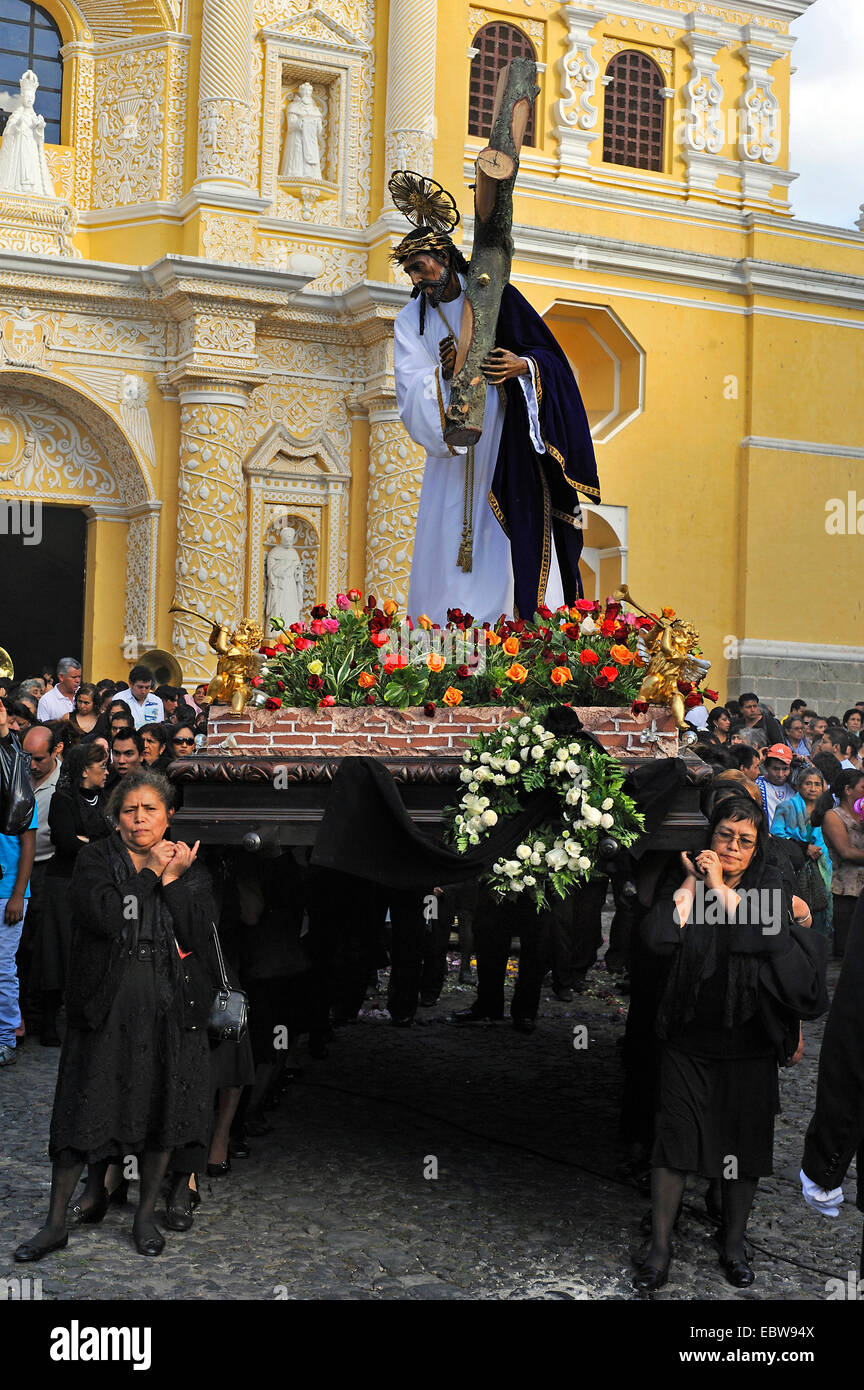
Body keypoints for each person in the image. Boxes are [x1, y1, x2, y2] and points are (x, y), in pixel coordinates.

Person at [13, 771, 216, 1261]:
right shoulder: (95, 857)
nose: (140, 818)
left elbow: (199, 934)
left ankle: (145, 1217)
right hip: (104, 1000)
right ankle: (56, 1222)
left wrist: (175, 882)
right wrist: (150, 876)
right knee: (83, 1105)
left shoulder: (186, 863)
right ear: (116, 818)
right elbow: (108, 915)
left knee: (156, 1107)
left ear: (168, 817)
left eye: (150, 809)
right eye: (130, 810)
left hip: (164, 1002)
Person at [631, 798, 827, 1292]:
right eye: (724, 837)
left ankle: (734, 1243)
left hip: (750, 1041)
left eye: (744, 841)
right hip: (688, 1037)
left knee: (743, 1148)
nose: (732, 848)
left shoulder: (768, 889)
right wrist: (692, 884)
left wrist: (716, 886)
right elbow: (656, 941)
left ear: (757, 848)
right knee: (675, 1141)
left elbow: (765, 938)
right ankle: (659, 1246)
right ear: (709, 838)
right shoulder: (690, 886)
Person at [390, 171, 599, 624]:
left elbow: (551, 359)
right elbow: (408, 388)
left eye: (421, 267)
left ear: (444, 258)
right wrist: (444, 378)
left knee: (502, 536)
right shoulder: (410, 321)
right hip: (450, 452)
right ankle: (440, 634)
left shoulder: (493, 294)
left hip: (503, 442)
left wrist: (522, 367)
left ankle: (509, 627)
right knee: (447, 534)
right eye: (410, 272)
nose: (417, 278)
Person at [38, 743, 112, 1044]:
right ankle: (47, 1021)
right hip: (64, 884)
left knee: (90, 950)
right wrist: (97, 844)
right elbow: (66, 841)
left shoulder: (106, 799)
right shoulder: (63, 799)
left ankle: (83, 1016)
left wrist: (90, 842)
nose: (106, 771)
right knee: (57, 951)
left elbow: (114, 840)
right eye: (101, 767)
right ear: (84, 771)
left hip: (95, 884)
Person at [0, 701, 37, 1068]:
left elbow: (27, 842)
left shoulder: (18, 786)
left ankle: (6, 1035)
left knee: (1, 968)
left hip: (7, 891)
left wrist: (16, 895)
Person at [19, 725, 61, 1037]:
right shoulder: (16, 775)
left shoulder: (64, 783)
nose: (32, 765)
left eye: (39, 759)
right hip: (15, 866)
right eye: (27, 758)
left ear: (56, 751)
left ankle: (40, 1013)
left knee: (42, 943)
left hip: (48, 868)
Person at [770, 766, 832, 938]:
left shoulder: (826, 811)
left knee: (821, 910)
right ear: (798, 786)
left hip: (823, 869)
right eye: (808, 784)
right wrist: (804, 849)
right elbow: (777, 837)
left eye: (817, 784)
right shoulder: (786, 807)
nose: (813, 788)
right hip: (794, 868)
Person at [821, 770, 864, 959]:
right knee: (846, 952)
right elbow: (845, 851)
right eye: (863, 787)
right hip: (846, 890)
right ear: (848, 789)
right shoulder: (833, 816)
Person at [755, 744, 796, 824]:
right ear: (766, 767)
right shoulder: (756, 784)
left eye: (785, 769)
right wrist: (758, 761)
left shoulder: (794, 787)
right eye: (775, 769)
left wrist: (806, 763)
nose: (780, 774)